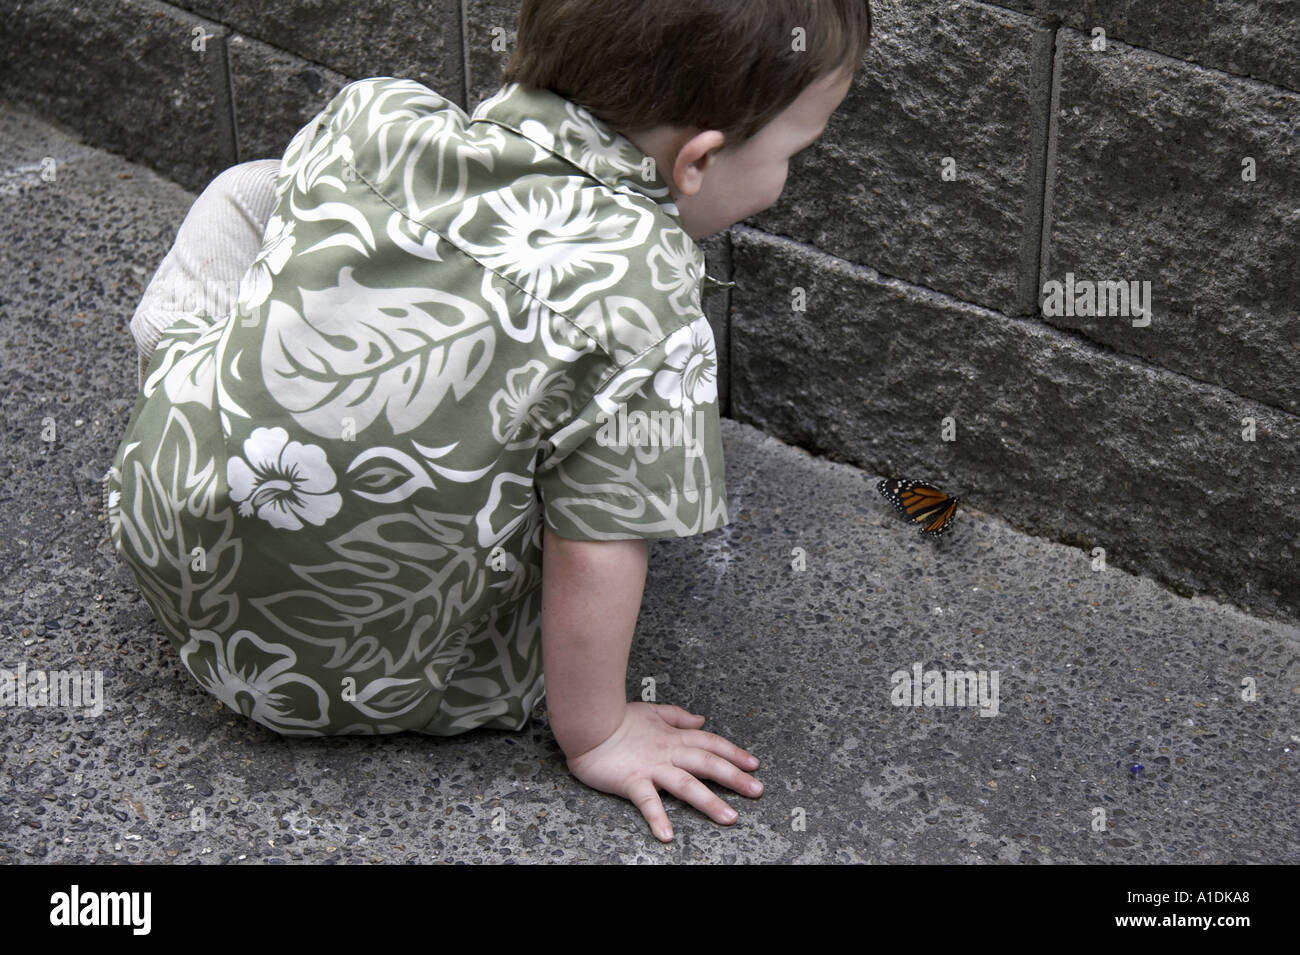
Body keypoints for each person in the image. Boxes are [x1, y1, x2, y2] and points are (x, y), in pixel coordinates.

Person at [103, 0, 870, 843]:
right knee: (596, 467)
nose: (789, 174)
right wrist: (601, 730)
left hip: (165, 533)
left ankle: (227, 427)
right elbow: (598, 542)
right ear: (698, 160)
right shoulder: (651, 315)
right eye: (796, 151)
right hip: (360, 673)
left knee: (250, 192)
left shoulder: (377, 115)